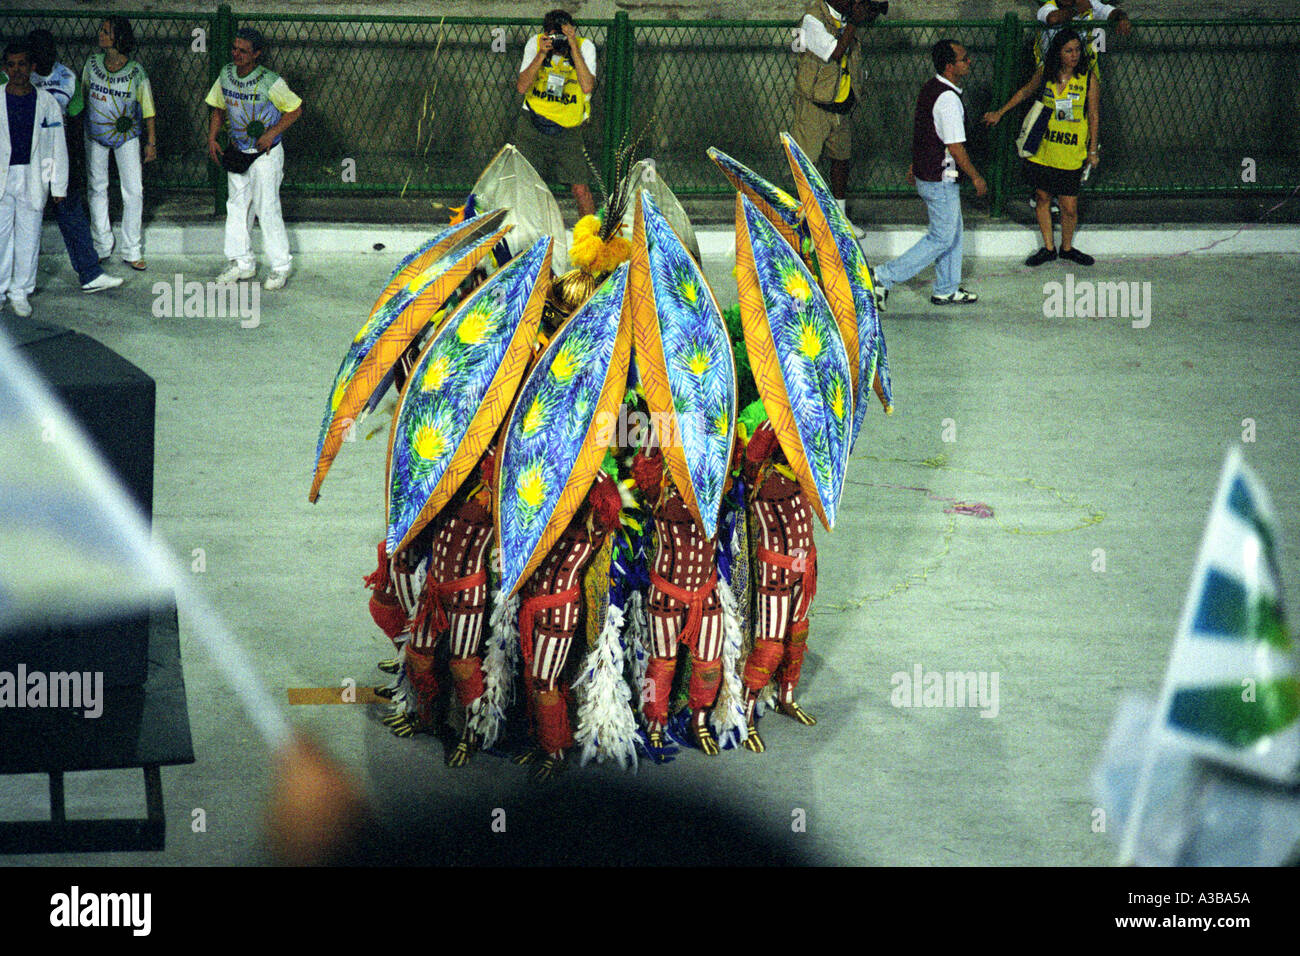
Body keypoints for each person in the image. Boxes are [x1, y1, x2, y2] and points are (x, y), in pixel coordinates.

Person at [870, 39, 985, 310]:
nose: (969, 62)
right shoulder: (947, 99)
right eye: (964, 59)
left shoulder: (931, 88)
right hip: (939, 178)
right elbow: (955, 147)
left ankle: (946, 289)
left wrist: (915, 165)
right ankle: (882, 276)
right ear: (949, 66)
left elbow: (923, 133)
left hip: (930, 174)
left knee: (953, 232)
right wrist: (976, 177)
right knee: (942, 237)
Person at [984, 30, 1099, 266]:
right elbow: (1026, 91)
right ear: (1058, 52)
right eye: (1068, 51)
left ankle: (1066, 247)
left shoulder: (1087, 78)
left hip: (1070, 151)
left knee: (1069, 206)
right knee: (1042, 196)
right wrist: (1000, 112)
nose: (1074, 55)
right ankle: (1048, 248)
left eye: (1077, 50)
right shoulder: (1046, 73)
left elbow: (1094, 114)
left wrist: (1092, 150)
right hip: (1044, 147)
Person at [206, 28, 303, 290]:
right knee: (236, 207)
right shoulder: (226, 74)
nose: (236, 54)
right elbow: (218, 107)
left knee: (267, 207)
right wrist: (213, 137)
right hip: (238, 151)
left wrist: (272, 133)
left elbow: (294, 109)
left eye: (243, 51)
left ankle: (280, 266)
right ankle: (241, 263)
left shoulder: (270, 81)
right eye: (235, 48)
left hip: (266, 154)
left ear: (257, 54)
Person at [28, 30, 123, 294]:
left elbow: (76, 123)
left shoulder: (67, 77)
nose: (43, 56)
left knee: (72, 214)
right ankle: (14, 282)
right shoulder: (17, 75)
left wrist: (74, 163)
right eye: (37, 51)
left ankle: (90, 274)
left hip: (56, 156)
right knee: (19, 219)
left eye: (48, 50)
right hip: (24, 160)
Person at [791, 0, 880, 239]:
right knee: (806, 162)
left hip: (841, 105)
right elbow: (835, 51)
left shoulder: (843, 15)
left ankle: (840, 218)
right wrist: (855, 21)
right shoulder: (813, 19)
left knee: (841, 160)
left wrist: (867, 13)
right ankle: (804, 219)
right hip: (814, 106)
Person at [0, 43, 68, 318]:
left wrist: (58, 184)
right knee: (1, 236)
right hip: (4, 176)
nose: (17, 70)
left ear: (32, 68)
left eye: (22, 64)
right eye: (12, 65)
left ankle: (21, 291)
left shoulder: (47, 102)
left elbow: (57, 145)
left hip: (33, 176)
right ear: (4, 69)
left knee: (29, 236)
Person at [83, 17, 155, 271]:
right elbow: (83, 96)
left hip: (128, 137)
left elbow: (147, 109)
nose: (100, 34)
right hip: (95, 136)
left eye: (106, 31)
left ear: (119, 37)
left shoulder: (136, 71)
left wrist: (151, 142)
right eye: (101, 30)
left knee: (133, 190)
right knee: (97, 187)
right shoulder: (91, 64)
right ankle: (101, 245)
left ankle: (131, 249)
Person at [513, 9, 597, 220]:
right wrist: (542, 54)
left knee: (580, 188)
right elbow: (522, 87)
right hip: (533, 122)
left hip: (568, 127)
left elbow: (587, 86)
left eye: (562, 35)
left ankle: (592, 241)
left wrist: (573, 48)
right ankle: (526, 236)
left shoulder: (584, 46)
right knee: (525, 184)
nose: (557, 42)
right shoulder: (536, 44)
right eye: (554, 36)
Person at [1036, 0, 1131, 77]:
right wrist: (1077, 10)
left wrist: (1121, 18)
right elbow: (1053, 19)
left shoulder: (1088, 3)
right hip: (1051, 70)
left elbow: (1110, 11)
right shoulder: (1048, 7)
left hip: (1082, 70)